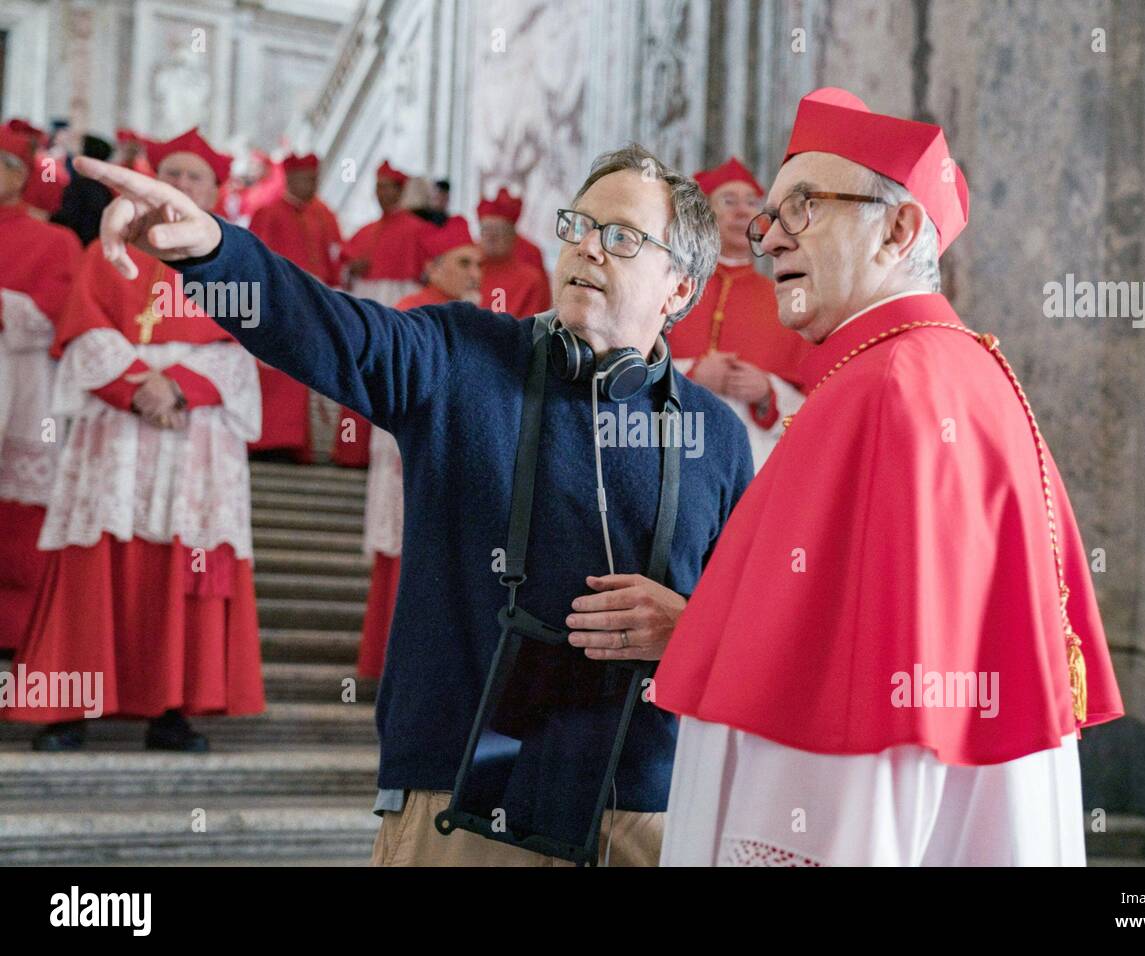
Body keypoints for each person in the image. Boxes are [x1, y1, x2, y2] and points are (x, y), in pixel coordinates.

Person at [74, 141, 751, 866]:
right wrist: (212, 251)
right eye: (577, 226)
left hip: (645, 809)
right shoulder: (459, 357)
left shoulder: (716, 437)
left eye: (620, 237)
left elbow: (759, 625)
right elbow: (327, 328)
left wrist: (692, 629)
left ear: (679, 289)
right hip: (457, 802)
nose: (586, 248)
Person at [655, 87, 1125, 866]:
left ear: (900, 228)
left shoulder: (891, 385)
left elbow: (870, 718)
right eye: (769, 216)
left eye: (803, 205)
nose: (769, 239)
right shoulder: (938, 365)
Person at [5, 127, 264, 751]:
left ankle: (170, 710)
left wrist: (175, 387)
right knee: (96, 560)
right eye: (169, 171)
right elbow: (84, 327)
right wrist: (135, 386)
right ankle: (69, 711)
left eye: (193, 176)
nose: (179, 183)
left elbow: (246, 350)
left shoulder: (237, 258)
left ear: (215, 188)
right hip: (114, 432)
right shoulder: (107, 248)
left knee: (185, 563)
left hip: (194, 436)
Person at [357, 215, 482, 680]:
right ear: (433, 266)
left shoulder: (477, 319)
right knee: (407, 562)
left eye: (479, 264)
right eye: (464, 262)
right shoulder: (412, 310)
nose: (475, 273)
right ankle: (400, 672)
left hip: (456, 461)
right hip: (412, 461)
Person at [668, 156, 809, 469]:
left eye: (751, 203)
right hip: (668, 451)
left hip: (753, 465)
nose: (743, 211)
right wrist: (691, 375)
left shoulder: (784, 297)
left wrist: (768, 393)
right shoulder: (671, 287)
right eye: (729, 201)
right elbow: (628, 371)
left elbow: (814, 405)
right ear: (703, 215)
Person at [0, 127, 82, 652]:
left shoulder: (57, 240)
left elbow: (58, 311)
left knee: (18, 523)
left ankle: (15, 633)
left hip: (24, 385)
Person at [332, 160, 438, 467]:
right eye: (377, 187)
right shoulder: (366, 230)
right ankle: (351, 451)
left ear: (401, 190)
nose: (381, 194)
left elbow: (432, 269)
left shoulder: (419, 230)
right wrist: (353, 268)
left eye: (387, 187)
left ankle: (389, 454)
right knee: (358, 372)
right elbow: (344, 269)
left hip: (401, 306)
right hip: (367, 305)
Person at [248, 152, 343, 462]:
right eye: (305, 179)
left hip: (318, 304)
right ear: (289, 179)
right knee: (279, 372)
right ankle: (271, 441)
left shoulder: (325, 214)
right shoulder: (268, 213)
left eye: (315, 178)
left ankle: (302, 443)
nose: (311, 184)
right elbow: (256, 260)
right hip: (279, 302)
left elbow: (334, 259)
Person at [477, 188, 551, 319]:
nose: (491, 236)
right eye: (486, 229)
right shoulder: (466, 269)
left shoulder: (531, 279)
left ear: (513, 235)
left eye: (498, 230)